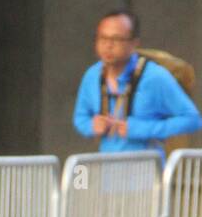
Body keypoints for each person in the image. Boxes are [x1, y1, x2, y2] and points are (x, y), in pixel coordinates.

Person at [73, 9, 202, 156]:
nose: (108, 45)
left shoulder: (155, 77)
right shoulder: (92, 75)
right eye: (102, 38)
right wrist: (91, 126)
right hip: (107, 168)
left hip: (148, 171)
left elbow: (192, 120)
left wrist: (143, 129)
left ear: (134, 43)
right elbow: (80, 117)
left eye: (117, 39)